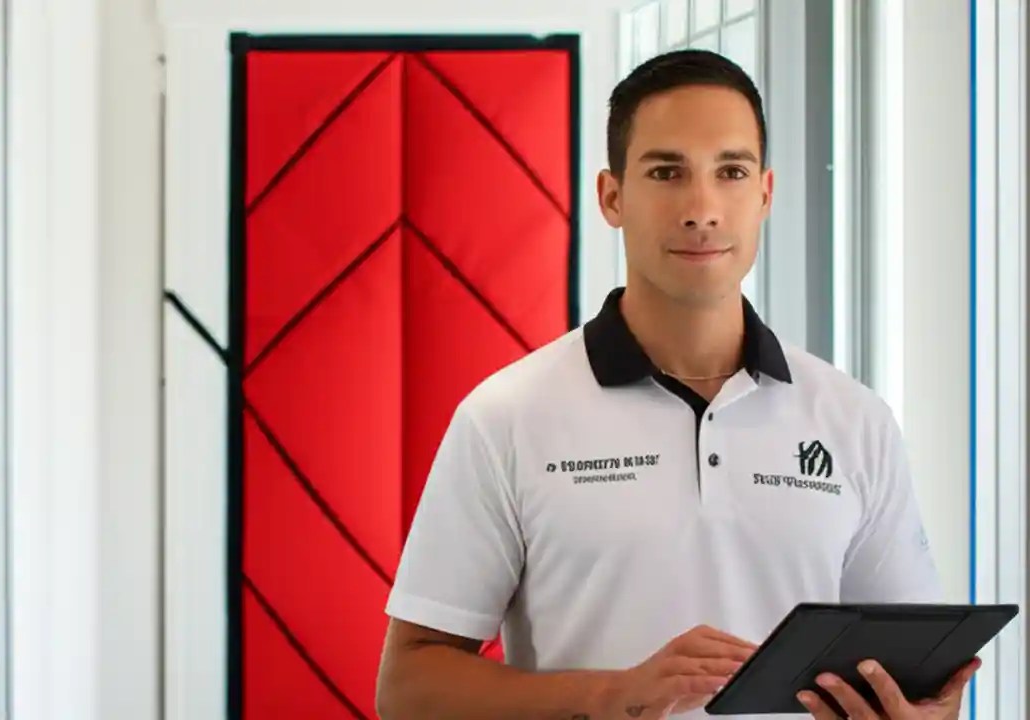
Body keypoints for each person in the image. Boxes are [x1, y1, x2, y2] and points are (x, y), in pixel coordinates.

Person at [374, 50, 979, 720]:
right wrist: (613, 695)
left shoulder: (855, 420)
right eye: (667, 172)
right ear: (612, 197)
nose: (702, 208)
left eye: (731, 172)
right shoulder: (506, 418)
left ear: (765, 194)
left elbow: (920, 684)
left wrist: (924, 711)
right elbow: (408, 688)